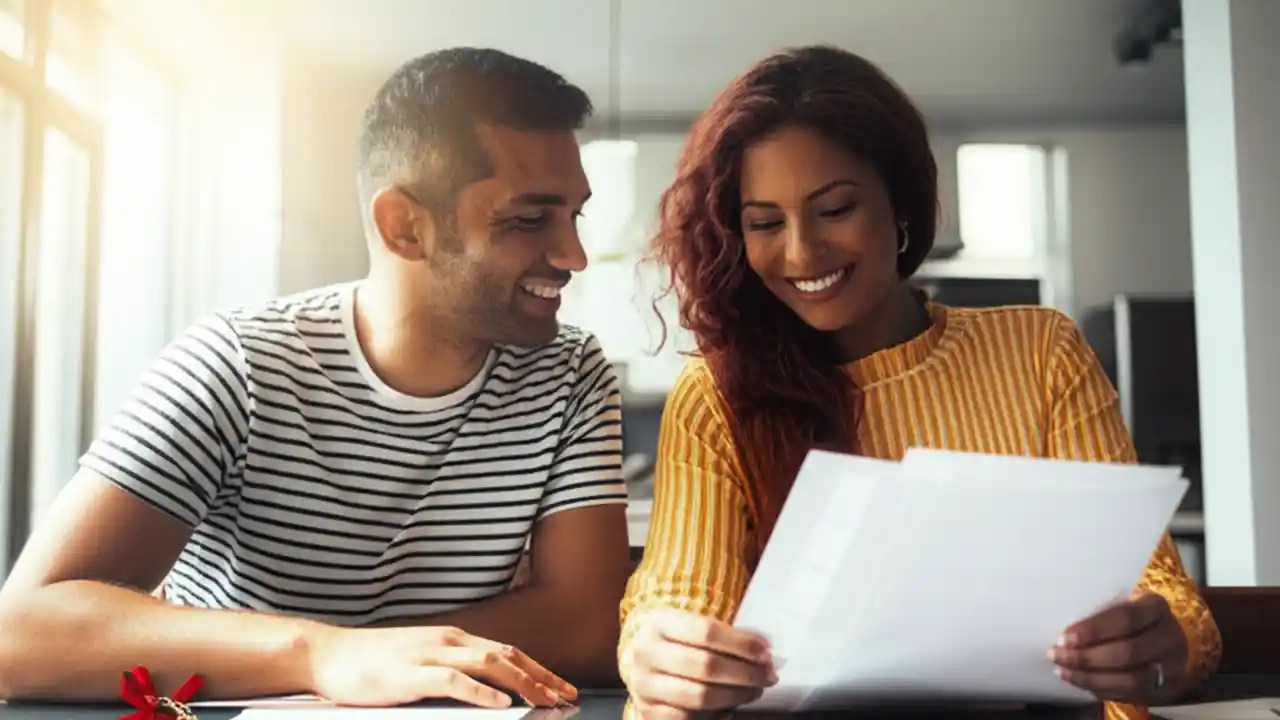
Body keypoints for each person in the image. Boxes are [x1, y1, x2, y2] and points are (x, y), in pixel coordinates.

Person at [0, 48, 631, 709]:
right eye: (528, 220)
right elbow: (20, 635)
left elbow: (588, 626)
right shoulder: (238, 363)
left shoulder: (567, 372)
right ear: (405, 227)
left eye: (574, 216)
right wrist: (323, 654)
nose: (573, 256)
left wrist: (375, 656)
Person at [618, 45, 1220, 720]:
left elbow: (1157, 587)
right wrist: (658, 654)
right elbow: (679, 597)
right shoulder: (717, 397)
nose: (802, 251)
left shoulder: (1041, 351)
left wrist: (1166, 643)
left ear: (900, 203)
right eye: (765, 223)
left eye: (835, 209)